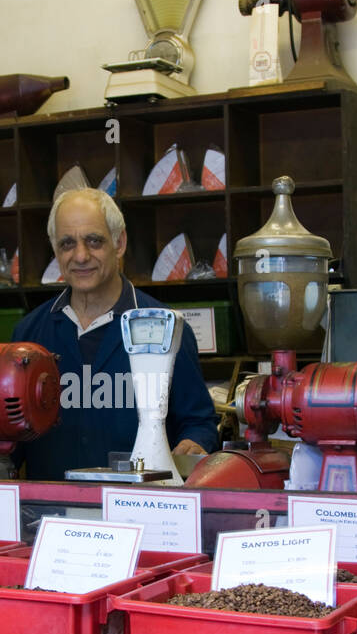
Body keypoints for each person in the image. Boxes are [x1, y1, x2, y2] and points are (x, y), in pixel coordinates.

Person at [12, 188, 219, 480]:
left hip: (138, 508)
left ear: (119, 243)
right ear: (55, 249)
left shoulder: (165, 328)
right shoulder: (28, 336)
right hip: (51, 514)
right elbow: (11, 434)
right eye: (68, 243)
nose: (81, 256)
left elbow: (199, 422)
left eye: (94, 241)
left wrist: (194, 443)